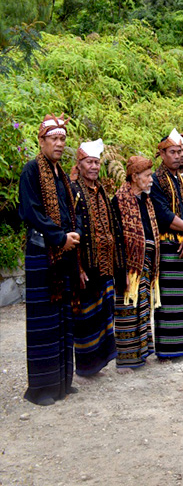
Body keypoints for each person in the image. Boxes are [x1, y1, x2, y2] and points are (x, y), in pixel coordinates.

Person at [19, 114, 82, 405]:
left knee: (62, 319)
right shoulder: (31, 171)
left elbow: (70, 211)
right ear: (41, 141)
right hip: (42, 252)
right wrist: (60, 237)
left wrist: (74, 233)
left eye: (62, 139)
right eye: (53, 139)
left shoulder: (62, 176)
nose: (59, 144)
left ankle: (61, 382)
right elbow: (32, 213)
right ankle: (41, 389)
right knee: (43, 321)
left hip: (63, 253)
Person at [150, 129, 183, 359]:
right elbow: (162, 214)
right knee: (169, 300)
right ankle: (168, 348)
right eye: (172, 152)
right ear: (162, 154)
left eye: (180, 151)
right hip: (168, 246)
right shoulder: (155, 180)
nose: (178, 156)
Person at [70, 139, 118, 377]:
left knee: (103, 314)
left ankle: (100, 362)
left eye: (97, 162)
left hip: (104, 265)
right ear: (79, 164)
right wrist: (78, 266)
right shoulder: (74, 190)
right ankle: (87, 366)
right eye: (89, 162)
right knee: (87, 317)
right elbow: (74, 228)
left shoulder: (100, 190)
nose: (94, 167)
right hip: (87, 264)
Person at [110, 156, 160, 372]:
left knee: (143, 308)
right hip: (128, 264)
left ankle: (141, 352)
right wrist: (121, 266)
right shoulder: (119, 200)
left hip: (146, 261)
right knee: (126, 309)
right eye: (147, 176)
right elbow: (116, 235)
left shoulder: (146, 200)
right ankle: (125, 359)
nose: (151, 179)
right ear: (134, 177)